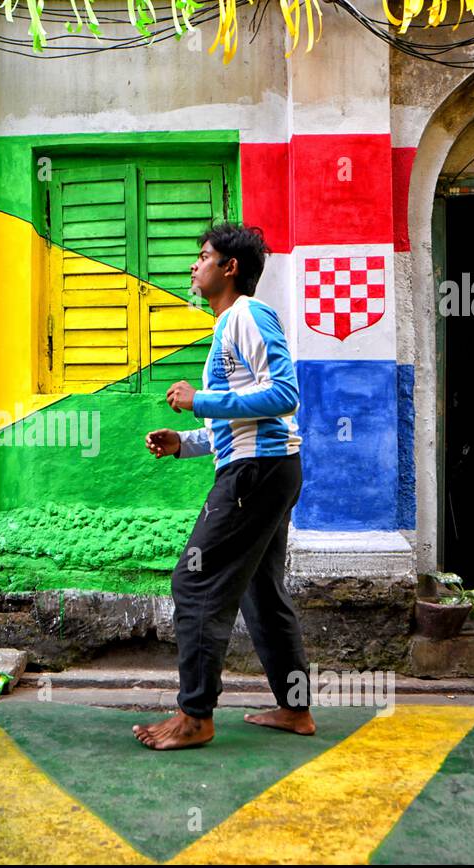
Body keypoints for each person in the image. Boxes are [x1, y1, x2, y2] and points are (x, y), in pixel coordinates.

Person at [133, 222, 311, 751]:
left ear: (230, 268)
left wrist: (199, 400)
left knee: (196, 583)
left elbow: (284, 394)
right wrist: (185, 441)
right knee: (261, 592)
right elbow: (240, 421)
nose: (194, 265)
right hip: (268, 468)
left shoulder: (247, 315)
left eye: (203, 255)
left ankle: (195, 716)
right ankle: (295, 710)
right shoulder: (228, 327)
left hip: (256, 474)